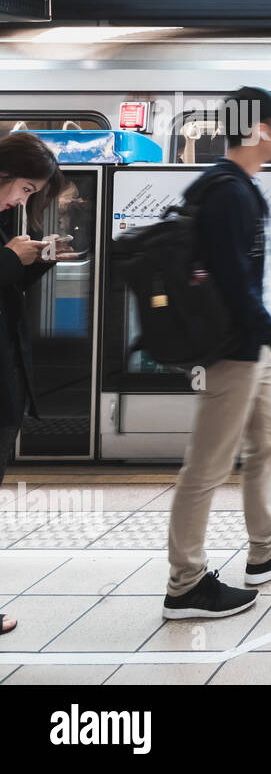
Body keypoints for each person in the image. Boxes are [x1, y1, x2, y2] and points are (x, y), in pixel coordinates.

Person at [163, 86, 271, 620]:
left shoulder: (238, 185)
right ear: (257, 128)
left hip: (252, 344)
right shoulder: (229, 191)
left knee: (268, 441)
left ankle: (267, 549)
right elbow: (235, 285)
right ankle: (185, 585)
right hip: (236, 348)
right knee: (207, 467)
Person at [0, 132, 71, 636]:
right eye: (23, 189)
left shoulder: (5, 220)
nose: (20, 201)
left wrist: (36, 263)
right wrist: (10, 259)